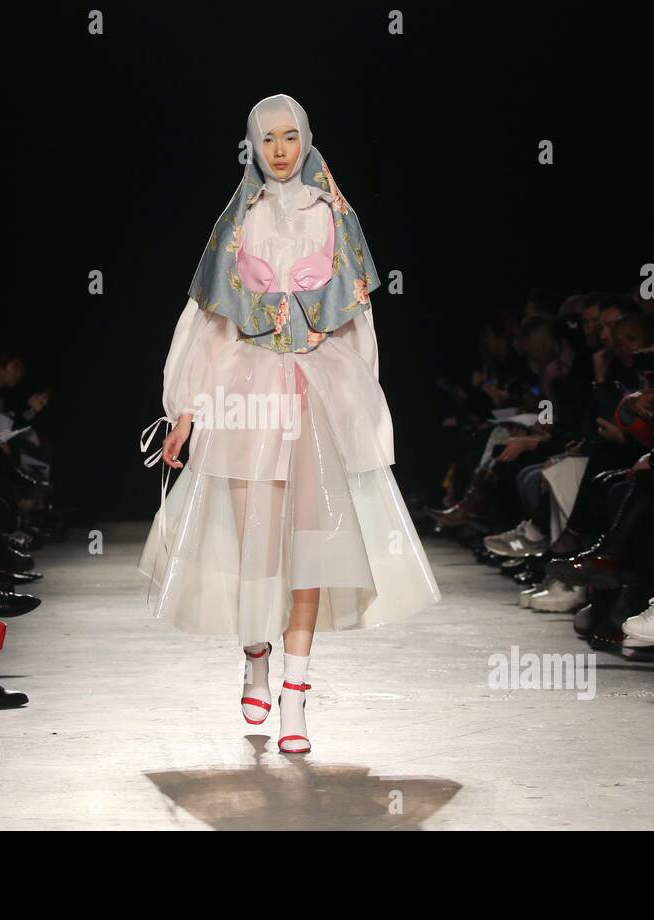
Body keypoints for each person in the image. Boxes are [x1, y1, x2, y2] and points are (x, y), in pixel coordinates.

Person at [137, 93, 441, 754]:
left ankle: (296, 698)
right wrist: (184, 413)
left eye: (290, 136)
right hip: (246, 397)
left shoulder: (334, 214)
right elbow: (208, 322)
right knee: (257, 547)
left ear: (306, 138)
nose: (280, 149)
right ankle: (255, 657)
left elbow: (359, 319)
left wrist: (366, 416)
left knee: (312, 544)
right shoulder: (238, 219)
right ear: (252, 144)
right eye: (267, 138)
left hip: (318, 394)